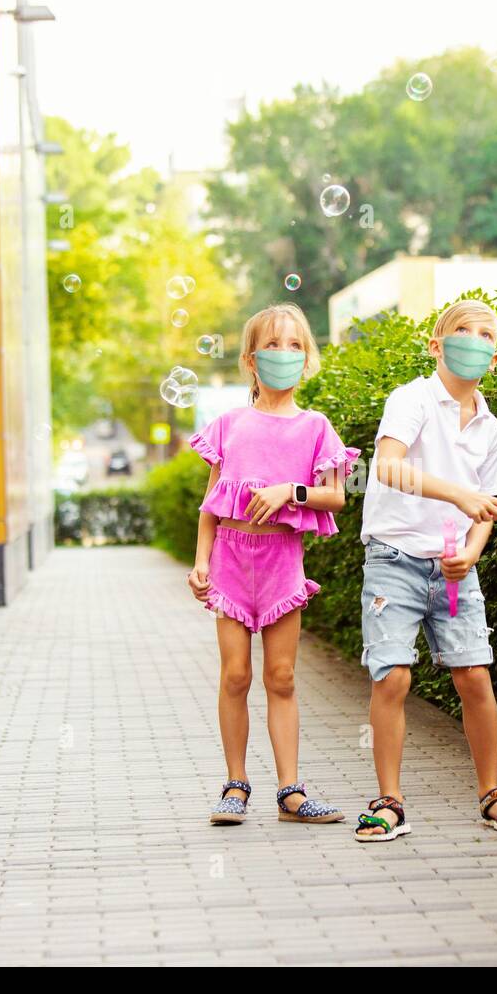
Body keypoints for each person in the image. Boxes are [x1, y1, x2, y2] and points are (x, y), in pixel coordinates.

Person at [354, 299, 497, 842]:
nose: (474, 341)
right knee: (393, 674)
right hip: (394, 562)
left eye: (485, 336)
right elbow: (386, 465)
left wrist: (473, 551)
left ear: (494, 358)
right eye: (463, 331)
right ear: (437, 345)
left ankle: (492, 793)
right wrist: (458, 493)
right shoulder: (411, 399)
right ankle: (389, 801)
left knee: (474, 675)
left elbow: (492, 506)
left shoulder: (489, 425)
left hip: (453, 571)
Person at [187, 303, 358, 826]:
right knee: (235, 675)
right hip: (232, 560)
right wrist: (201, 564)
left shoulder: (315, 428)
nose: (284, 354)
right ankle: (235, 787)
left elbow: (336, 497)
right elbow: (212, 501)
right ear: (250, 359)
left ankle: (291, 792)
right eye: (273, 345)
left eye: (295, 345)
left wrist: (292, 490)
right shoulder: (229, 425)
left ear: (307, 358)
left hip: (283, 560)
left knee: (281, 677)